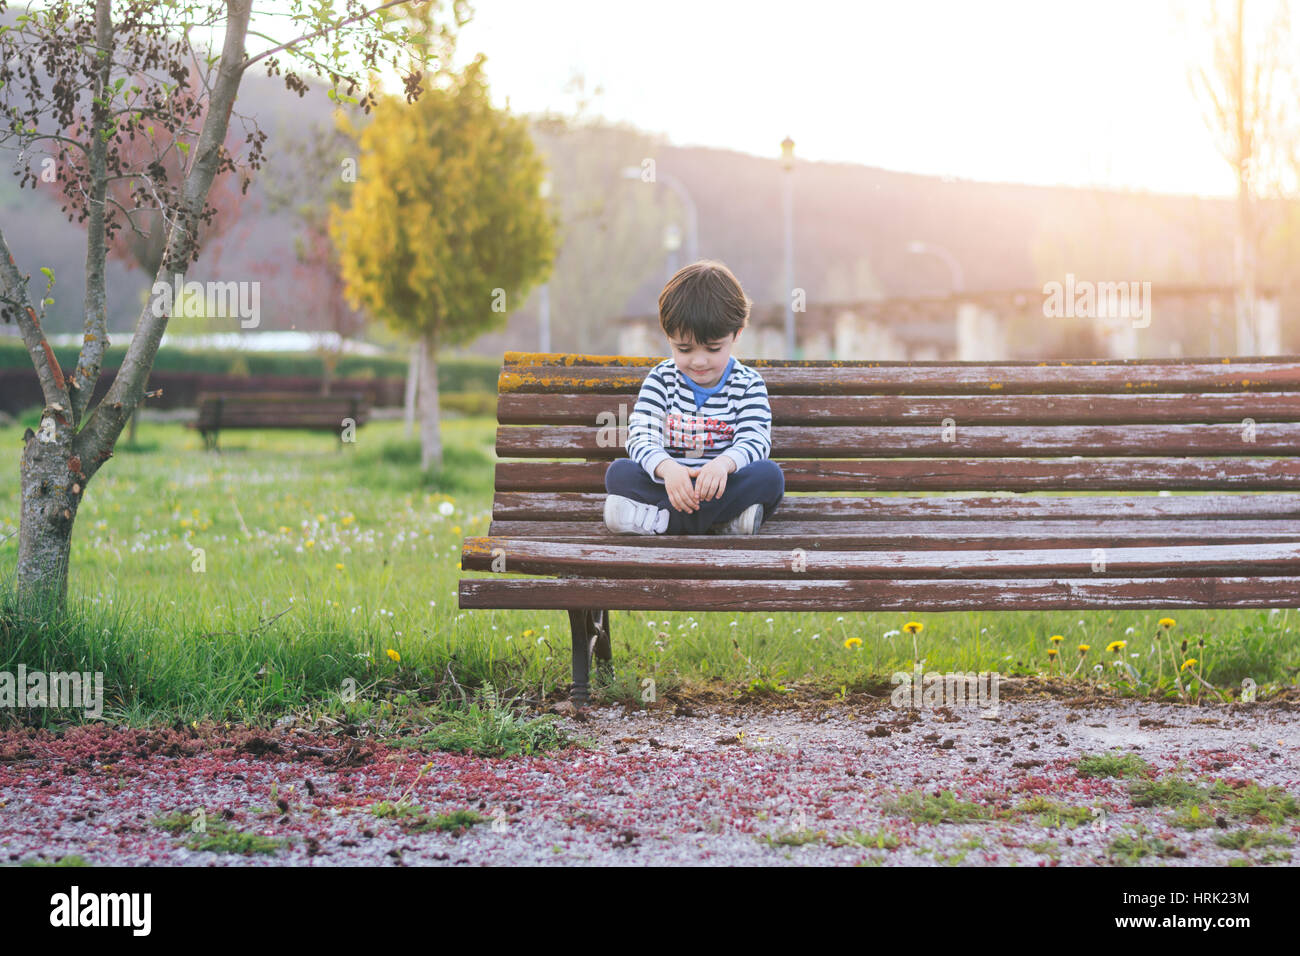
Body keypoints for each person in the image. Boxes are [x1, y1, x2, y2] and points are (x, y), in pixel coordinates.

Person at [603, 260, 784, 535]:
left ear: (737, 334)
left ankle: (660, 522)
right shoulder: (661, 379)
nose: (699, 361)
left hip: (723, 487)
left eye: (712, 348)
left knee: (769, 477)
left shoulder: (748, 384)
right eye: (684, 349)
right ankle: (724, 523)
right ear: (668, 338)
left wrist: (723, 465)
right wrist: (667, 469)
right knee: (619, 473)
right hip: (668, 485)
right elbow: (641, 435)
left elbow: (756, 440)